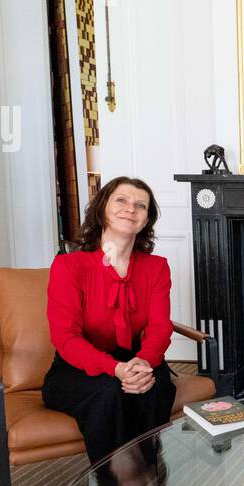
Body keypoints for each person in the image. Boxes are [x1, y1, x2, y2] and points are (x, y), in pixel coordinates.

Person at [41, 176, 178, 463]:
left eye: (141, 205)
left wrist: (144, 361)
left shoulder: (156, 268)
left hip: (137, 358)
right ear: (102, 208)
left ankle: (150, 476)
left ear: (146, 220)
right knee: (109, 392)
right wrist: (114, 368)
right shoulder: (69, 266)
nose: (131, 208)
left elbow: (160, 327)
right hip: (76, 365)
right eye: (122, 200)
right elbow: (65, 338)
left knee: (155, 386)